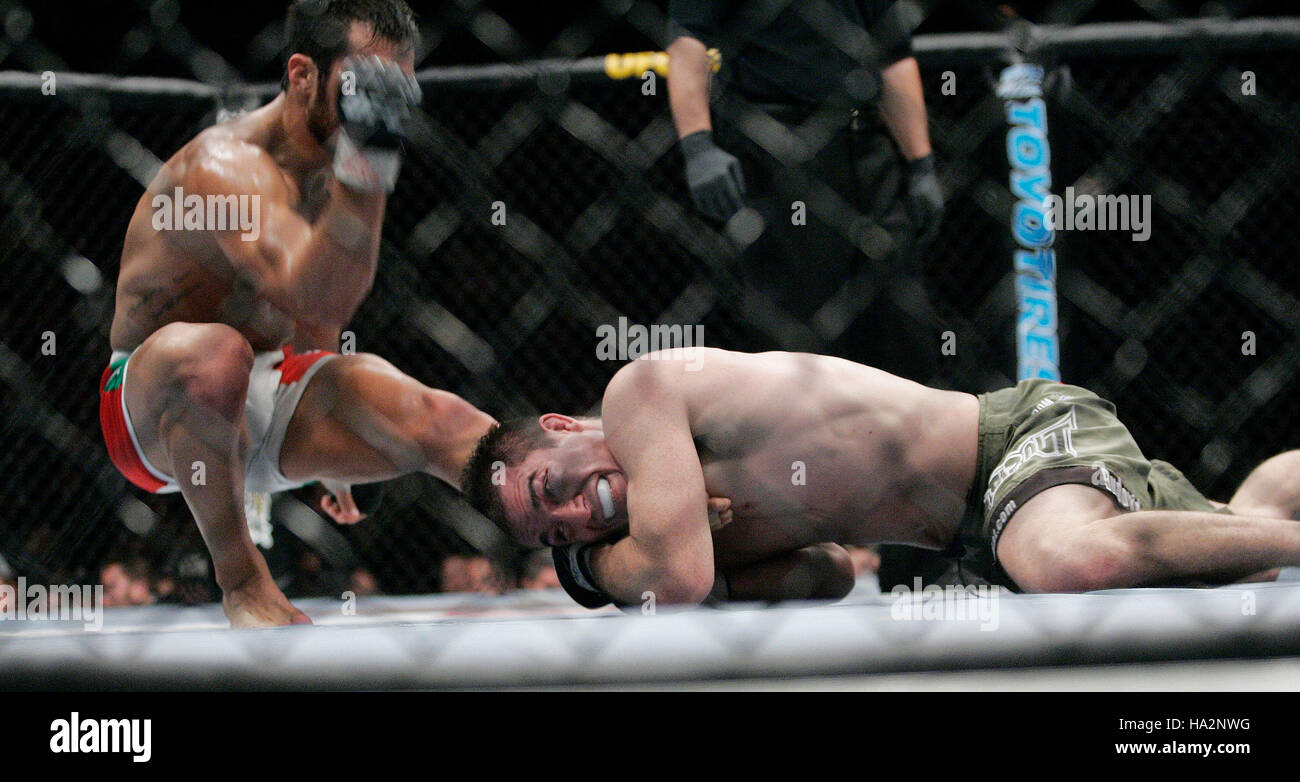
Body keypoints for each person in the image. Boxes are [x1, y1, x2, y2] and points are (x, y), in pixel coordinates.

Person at [99, 0, 495, 627]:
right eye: (364, 86)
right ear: (303, 74)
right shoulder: (224, 169)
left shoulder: (337, 157)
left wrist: (339, 432)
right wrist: (368, 169)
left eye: (396, 89)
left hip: (268, 387)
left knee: (440, 416)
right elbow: (311, 294)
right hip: (152, 411)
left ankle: (585, 535)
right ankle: (242, 584)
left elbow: (313, 315)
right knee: (215, 355)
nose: (378, 108)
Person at [461, 348, 1300, 608]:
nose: (574, 512)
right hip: (986, 527)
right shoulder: (683, 525)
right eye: (559, 534)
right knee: (1238, 538)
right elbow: (825, 577)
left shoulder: (638, 392)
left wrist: (587, 573)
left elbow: (671, 581)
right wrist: (711, 555)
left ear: (565, 429)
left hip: (1015, 439)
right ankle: (1269, 510)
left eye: (549, 489)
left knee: (1068, 563)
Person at [667, 0, 944, 381]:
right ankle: (798, 435)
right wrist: (697, 143)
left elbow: (894, 55)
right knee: (799, 324)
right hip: (778, 147)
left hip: (867, 145)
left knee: (899, 316)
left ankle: (913, 432)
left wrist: (921, 163)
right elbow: (687, 43)